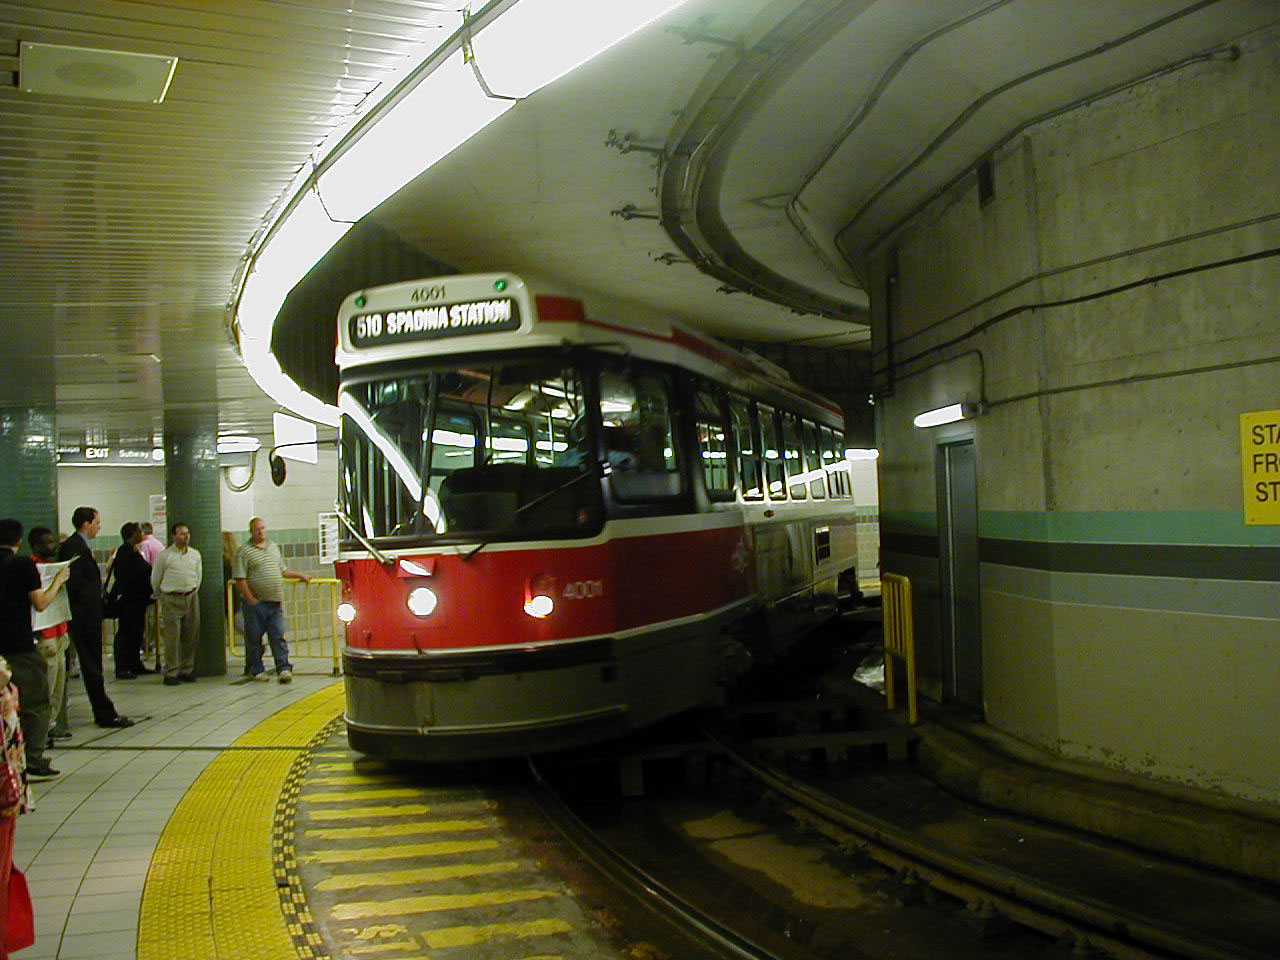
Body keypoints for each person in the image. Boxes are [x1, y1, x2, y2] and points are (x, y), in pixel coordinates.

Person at [0, 518, 70, 778]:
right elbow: (40, 602)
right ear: (19, 541)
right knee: (35, 703)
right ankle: (34, 758)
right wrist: (58, 581)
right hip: (19, 646)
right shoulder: (21, 565)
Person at [54, 508, 134, 729]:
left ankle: (104, 710)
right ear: (86, 523)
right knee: (91, 664)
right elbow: (76, 584)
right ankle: (104, 713)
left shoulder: (79, 546)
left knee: (92, 663)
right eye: (97, 522)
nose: (99, 526)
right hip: (82, 616)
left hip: (86, 614)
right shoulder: (74, 548)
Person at [233, 517, 310, 683]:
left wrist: (300, 575)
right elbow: (240, 578)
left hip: (274, 602)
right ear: (251, 531)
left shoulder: (273, 547)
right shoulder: (244, 551)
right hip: (256, 604)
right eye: (256, 529)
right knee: (254, 638)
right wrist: (250, 598)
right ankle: (256, 669)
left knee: (278, 635)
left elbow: (282, 570)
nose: (260, 532)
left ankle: (283, 667)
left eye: (262, 528)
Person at [28, 527, 72, 747]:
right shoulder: (31, 568)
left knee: (58, 684)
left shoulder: (54, 567)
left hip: (60, 629)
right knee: (47, 682)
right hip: (44, 634)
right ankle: (41, 730)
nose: (52, 546)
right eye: (47, 543)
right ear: (35, 545)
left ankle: (52, 724)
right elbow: (41, 602)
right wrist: (57, 581)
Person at [151, 522, 202, 686]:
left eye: (187, 533)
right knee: (172, 637)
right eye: (181, 533)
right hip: (171, 597)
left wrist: (192, 590)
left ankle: (186, 669)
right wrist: (162, 595)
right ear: (173, 536)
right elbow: (155, 578)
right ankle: (171, 672)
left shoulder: (195, 555)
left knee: (191, 635)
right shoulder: (165, 556)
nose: (185, 536)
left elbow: (198, 576)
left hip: (191, 596)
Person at [105, 523, 154, 679]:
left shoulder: (133, 550)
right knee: (126, 632)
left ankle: (134, 663)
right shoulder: (125, 552)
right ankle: (123, 666)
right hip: (129, 600)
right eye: (139, 532)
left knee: (136, 632)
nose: (142, 534)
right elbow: (126, 576)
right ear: (132, 534)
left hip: (138, 599)